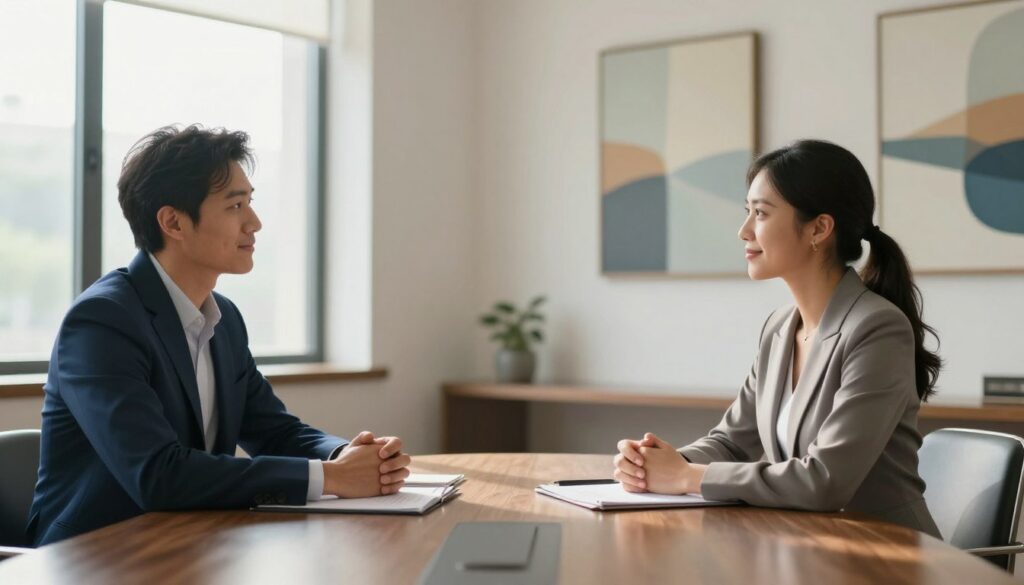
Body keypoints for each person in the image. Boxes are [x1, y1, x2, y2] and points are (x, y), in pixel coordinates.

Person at [27, 125, 411, 545]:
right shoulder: (103, 321)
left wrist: (347, 456)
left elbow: (274, 430)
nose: (255, 223)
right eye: (235, 206)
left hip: (189, 543)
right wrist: (332, 478)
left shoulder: (223, 318)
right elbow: (157, 474)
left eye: (251, 202)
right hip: (93, 557)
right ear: (173, 221)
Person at [613, 139, 942, 537]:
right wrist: (658, 464)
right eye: (747, 212)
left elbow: (825, 480)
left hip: (884, 554)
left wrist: (686, 477)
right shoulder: (780, 328)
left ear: (819, 228)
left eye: (761, 213)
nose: (744, 230)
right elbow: (732, 441)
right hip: (813, 549)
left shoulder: (877, 329)